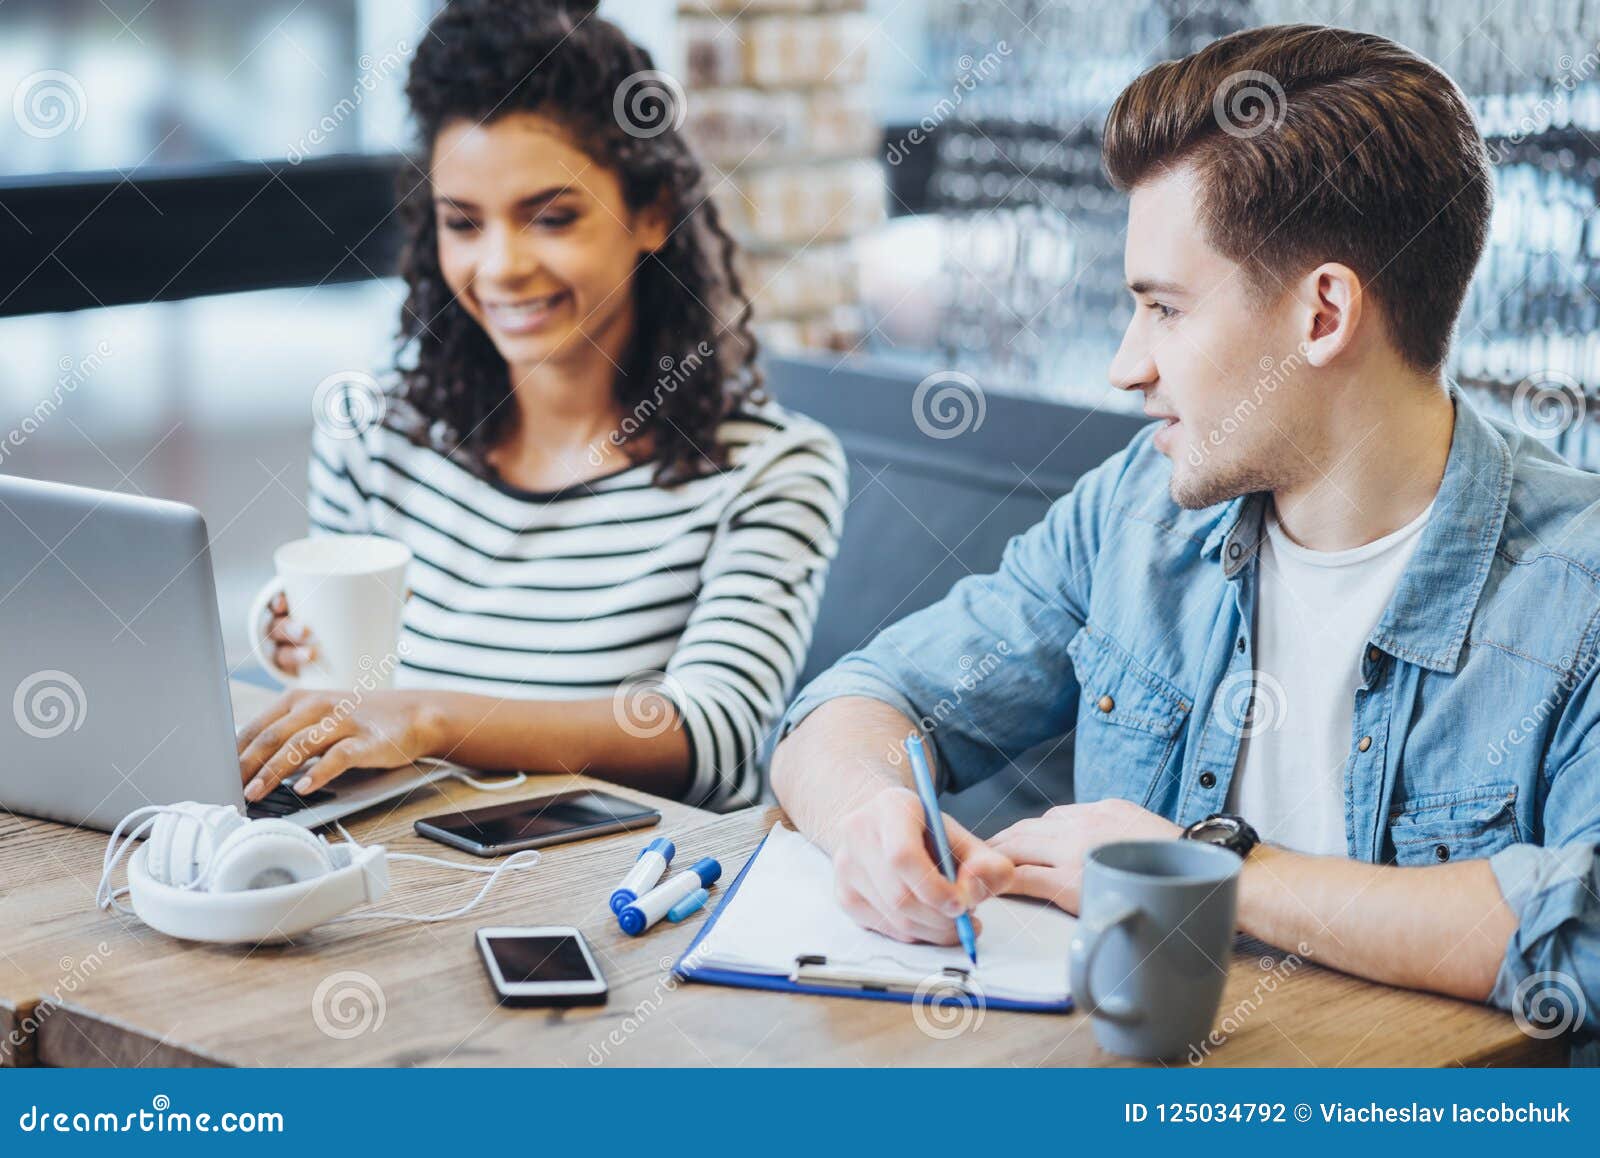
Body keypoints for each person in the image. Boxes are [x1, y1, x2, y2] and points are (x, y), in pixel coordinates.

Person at [771, 23, 1600, 1045]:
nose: (1126, 364)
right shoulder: (1137, 510)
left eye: (1164, 308)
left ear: (1323, 313)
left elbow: (1584, 931)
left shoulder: (1576, 590)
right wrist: (867, 815)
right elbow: (860, 700)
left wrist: (1207, 871)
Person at [237, 0, 845, 810]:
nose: (502, 267)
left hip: (625, 897)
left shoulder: (768, 469)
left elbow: (713, 734)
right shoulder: (376, 441)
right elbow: (356, 692)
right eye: (464, 223)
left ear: (652, 211)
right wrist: (286, 637)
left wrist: (428, 717)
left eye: (552, 218)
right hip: (398, 876)